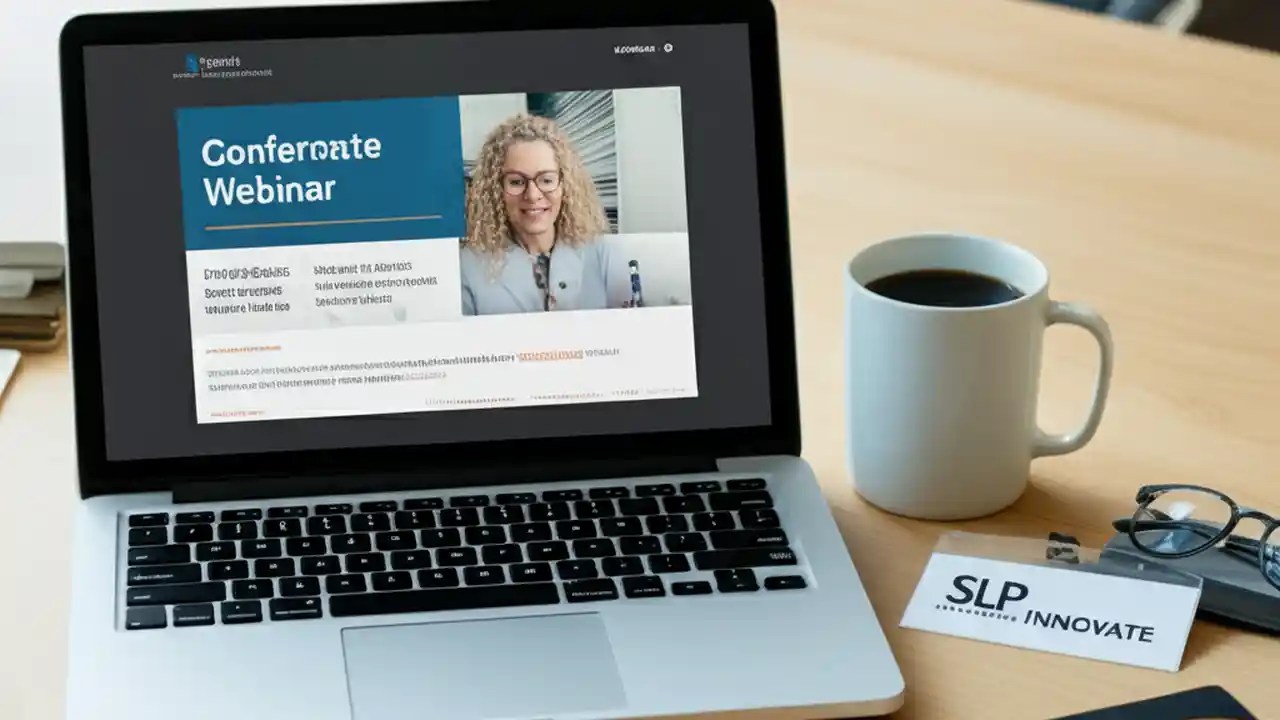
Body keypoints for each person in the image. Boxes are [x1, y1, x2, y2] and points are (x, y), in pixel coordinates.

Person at [459, 114, 616, 315]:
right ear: (495, 190)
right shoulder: (467, 268)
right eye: (516, 182)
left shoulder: (603, 253)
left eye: (547, 180)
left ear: (565, 185)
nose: (533, 195)